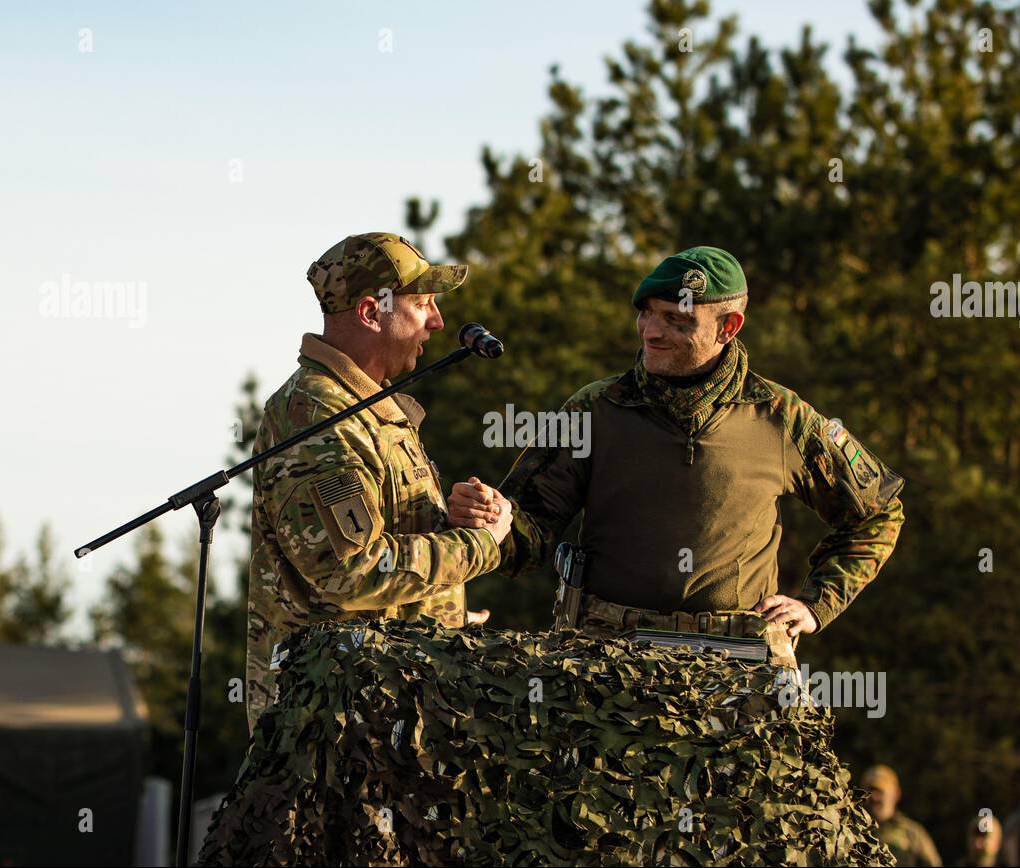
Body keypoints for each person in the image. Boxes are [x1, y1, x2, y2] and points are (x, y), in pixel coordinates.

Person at [447, 245, 905, 672]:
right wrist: (495, 519)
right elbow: (527, 537)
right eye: (646, 315)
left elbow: (878, 512)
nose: (651, 331)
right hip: (608, 661)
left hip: (738, 665)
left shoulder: (782, 416)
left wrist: (816, 604)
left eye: (674, 319)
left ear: (728, 327)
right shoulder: (595, 408)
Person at [244, 232, 511, 731]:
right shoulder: (319, 416)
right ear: (372, 313)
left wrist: (444, 597)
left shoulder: (367, 407)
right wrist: (478, 545)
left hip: (379, 708)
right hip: (334, 727)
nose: (439, 321)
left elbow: (383, 550)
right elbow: (353, 570)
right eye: (424, 304)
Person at [859, 765, 942, 866]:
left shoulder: (913, 833)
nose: (874, 797)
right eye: (869, 791)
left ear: (896, 794)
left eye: (880, 791)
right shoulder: (851, 829)